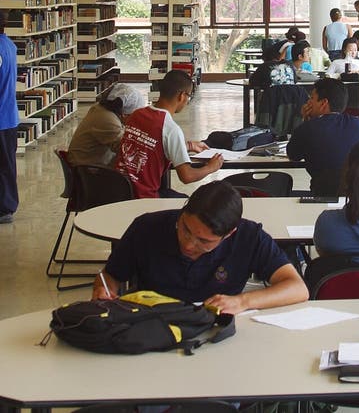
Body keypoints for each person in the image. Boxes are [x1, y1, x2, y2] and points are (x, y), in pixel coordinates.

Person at [92, 181, 309, 312]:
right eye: (185, 229)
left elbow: (297, 288)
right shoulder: (147, 228)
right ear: (183, 211)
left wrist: (243, 302)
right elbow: (111, 276)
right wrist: (104, 290)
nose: (188, 244)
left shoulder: (248, 237)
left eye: (204, 242)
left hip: (216, 333)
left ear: (229, 234)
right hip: (152, 325)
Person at [114, 69, 223, 199]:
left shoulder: (136, 115)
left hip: (119, 191)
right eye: (189, 96)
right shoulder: (170, 128)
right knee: (189, 204)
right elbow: (186, 176)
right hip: (144, 198)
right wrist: (211, 167)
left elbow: (153, 144)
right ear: (182, 96)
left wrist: (188, 146)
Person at [286, 78, 359, 195]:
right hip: (358, 194)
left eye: (312, 98)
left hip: (321, 195)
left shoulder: (308, 128)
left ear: (323, 103)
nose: (308, 102)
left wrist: (304, 120)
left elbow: (293, 156)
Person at [67, 82, 145, 168]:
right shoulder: (106, 118)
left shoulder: (101, 109)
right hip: (88, 170)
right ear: (124, 113)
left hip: (88, 162)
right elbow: (125, 149)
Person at [0, 12, 18, 224]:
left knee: (4, 165)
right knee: (7, 164)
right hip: (9, 116)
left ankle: (5, 208)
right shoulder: (10, 45)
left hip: (2, 119)